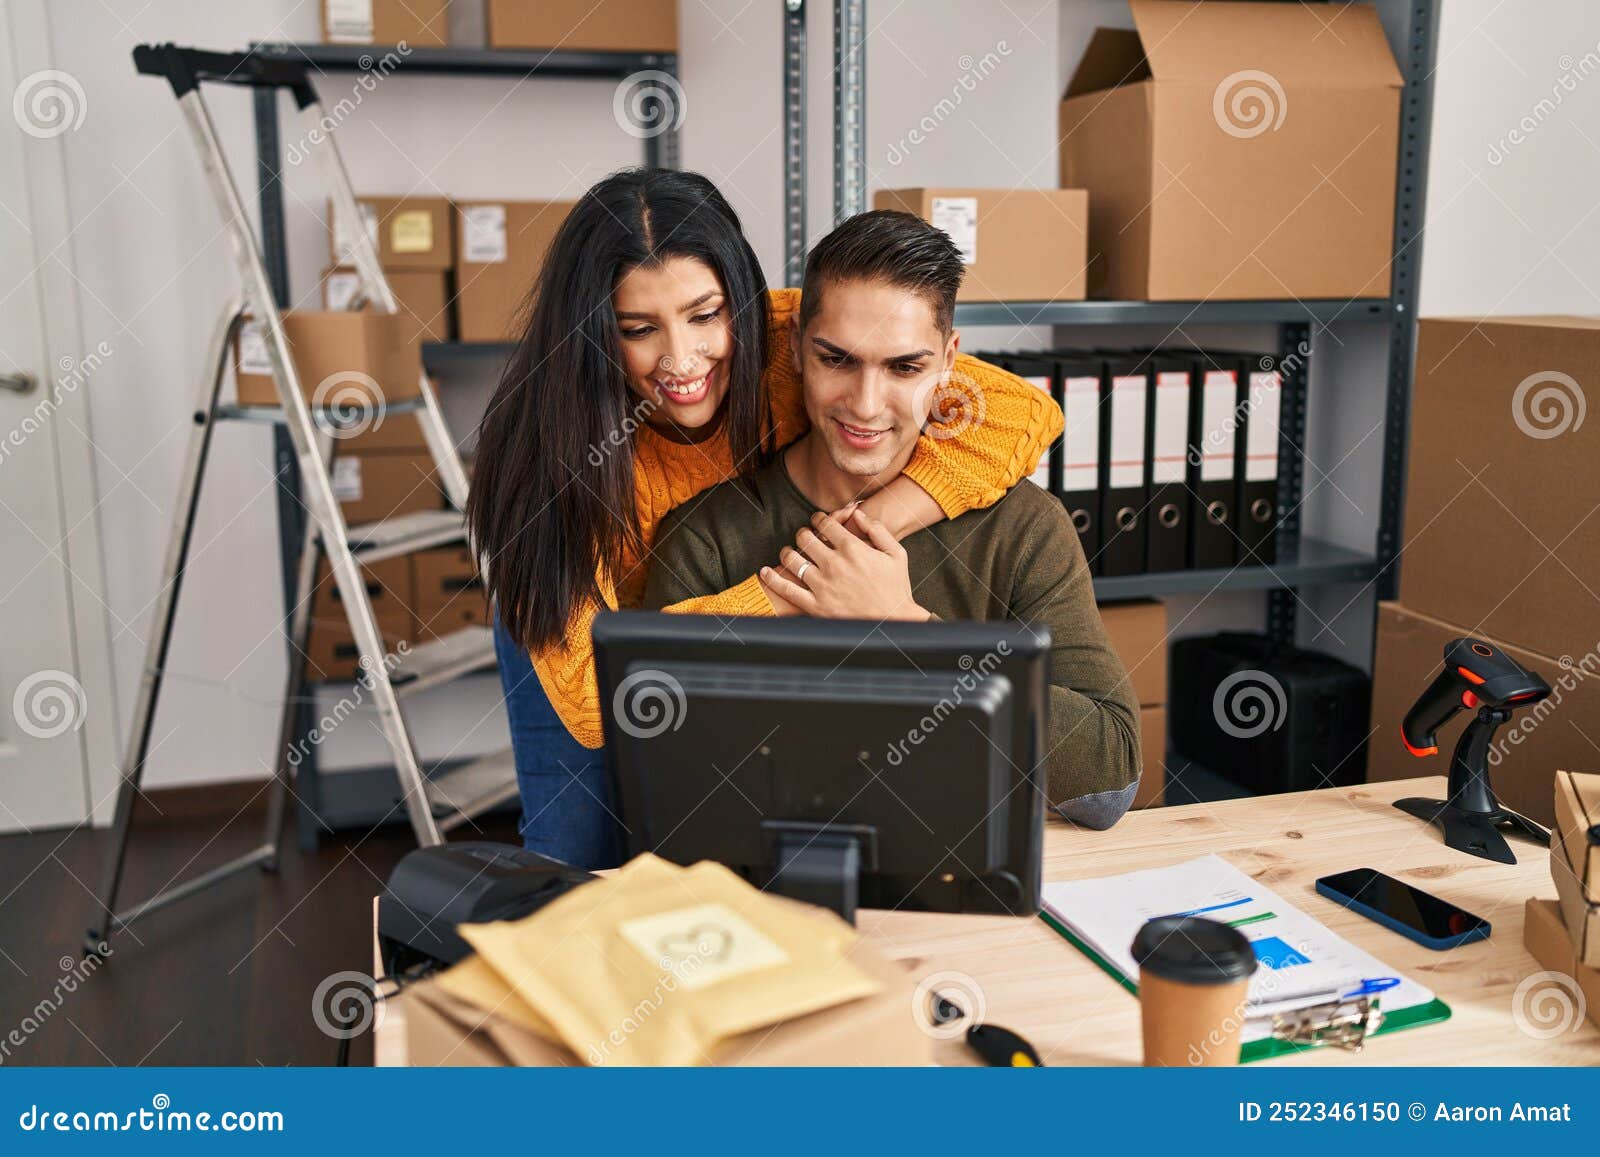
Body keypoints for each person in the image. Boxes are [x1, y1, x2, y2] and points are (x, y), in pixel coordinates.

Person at [467, 170, 1064, 864]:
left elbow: (1022, 413)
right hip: (571, 623)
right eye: (638, 329)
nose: (682, 359)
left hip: (709, 604)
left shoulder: (793, 337)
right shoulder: (546, 450)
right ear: (594, 333)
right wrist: (801, 584)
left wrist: (855, 537)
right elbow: (594, 700)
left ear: (741, 302)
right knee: (576, 849)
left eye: (705, 314)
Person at [643, 209, 1141, 827]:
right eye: (838, 360)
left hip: (965, 884)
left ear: (949, 362)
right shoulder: (706, 538)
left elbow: (1107, 784)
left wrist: (905, 629)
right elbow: (666, 790)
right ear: (796, 345)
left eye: (904, 368)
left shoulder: (1024, 527)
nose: (866, 405)